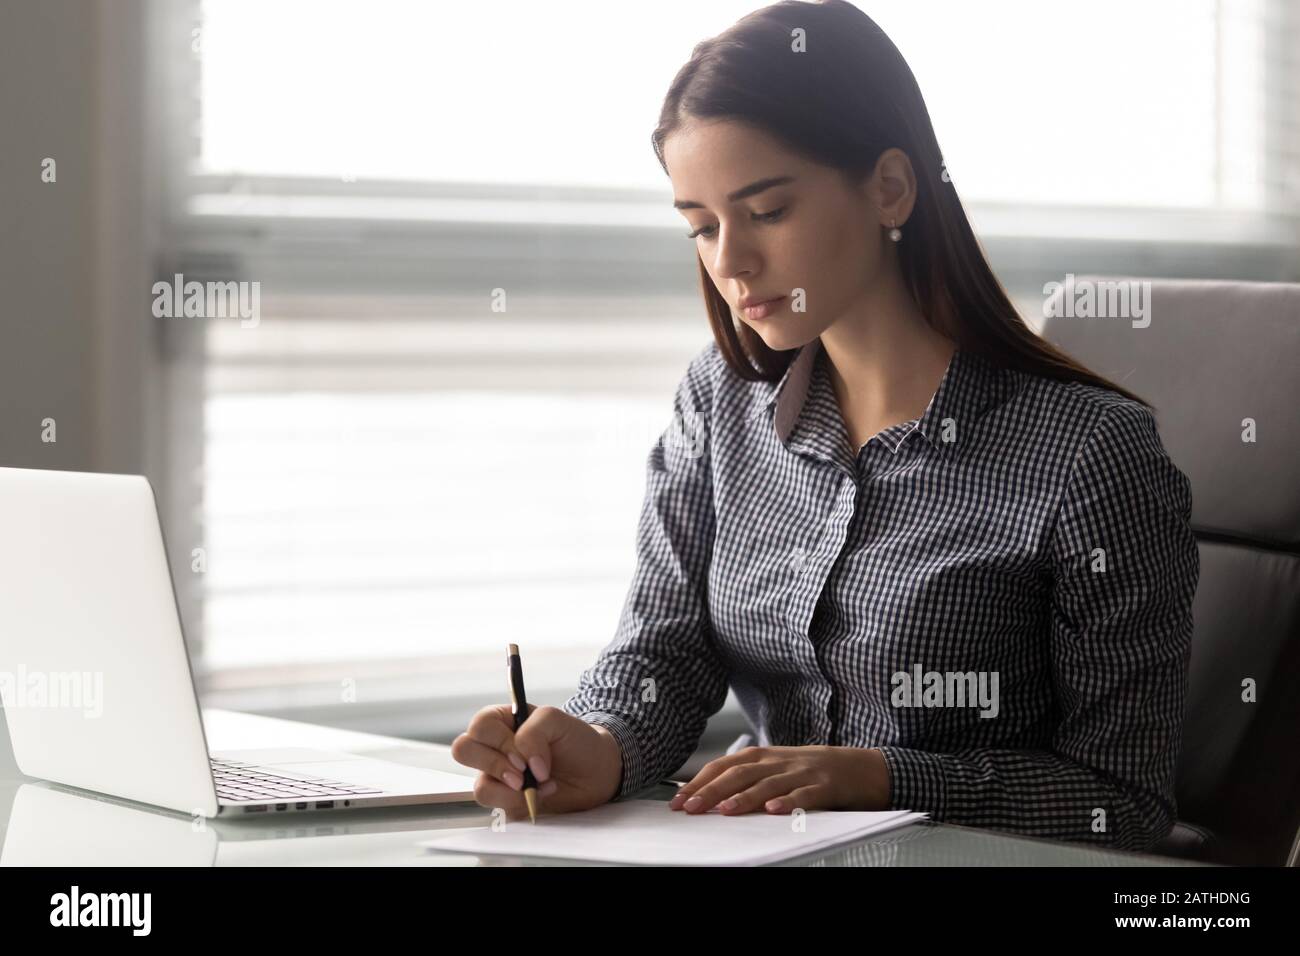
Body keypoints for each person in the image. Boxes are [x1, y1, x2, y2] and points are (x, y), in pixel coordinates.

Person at [451, 0, 1198, 851]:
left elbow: (1122, 803)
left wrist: (880, 777)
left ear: (889, 186)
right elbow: (666, 650)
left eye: (766, 211)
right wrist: (603, 746)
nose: (729, 262)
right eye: (701, 227)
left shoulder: (1091, 454)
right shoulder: (719, 400)